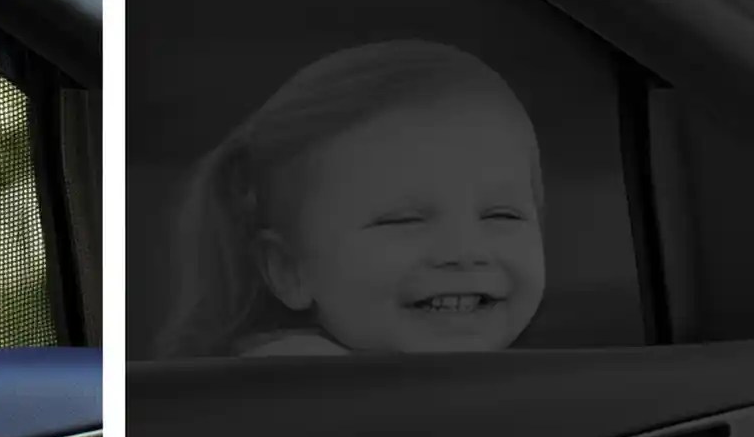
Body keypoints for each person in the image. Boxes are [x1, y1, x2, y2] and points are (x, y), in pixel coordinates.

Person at [153, 40, 546, 358]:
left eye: (502, 215)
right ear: (290, 271)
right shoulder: (294, 387)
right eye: (404, 220)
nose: (465, 250)